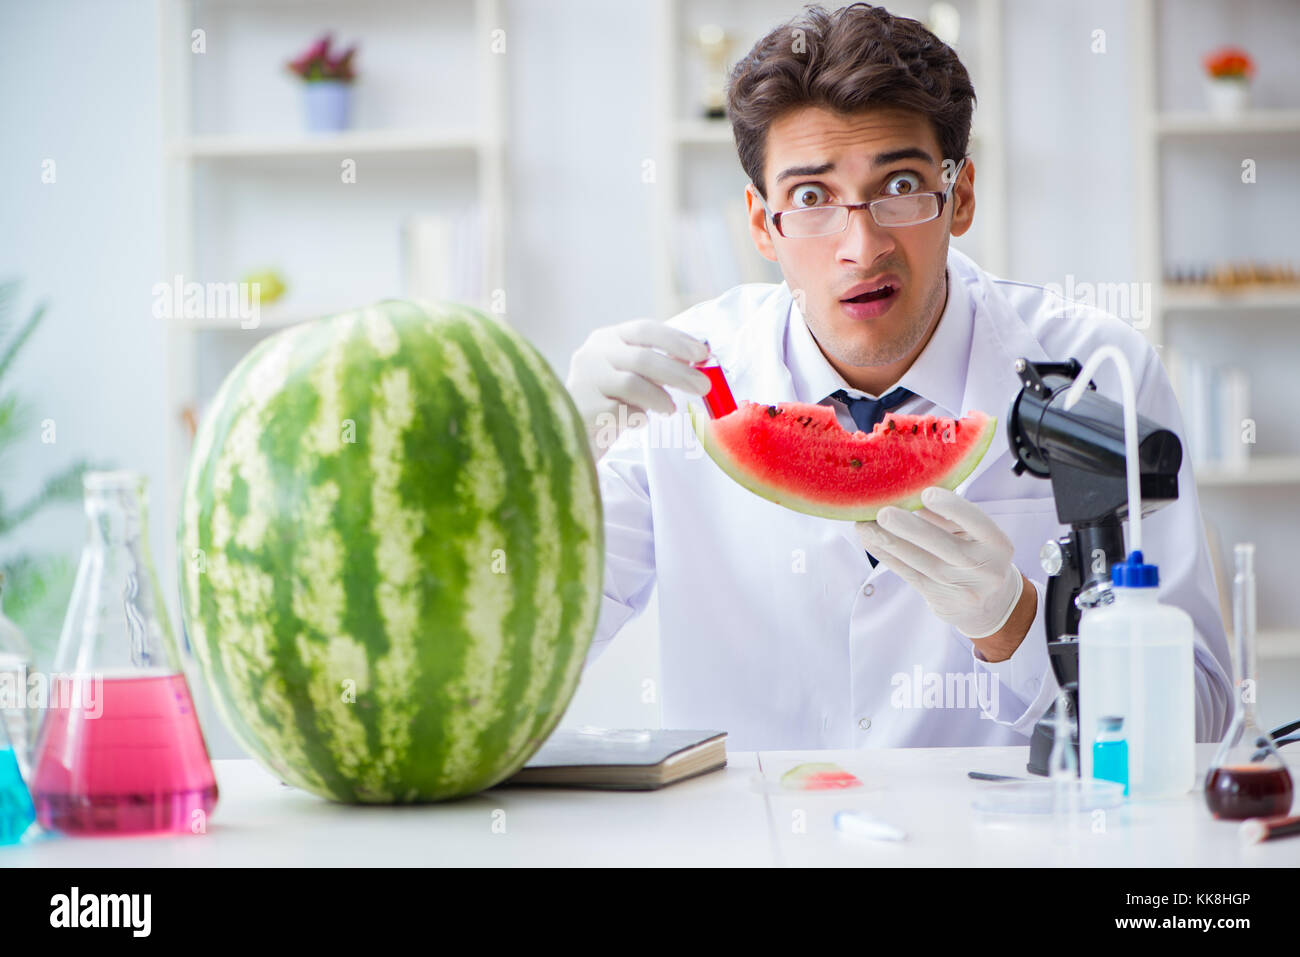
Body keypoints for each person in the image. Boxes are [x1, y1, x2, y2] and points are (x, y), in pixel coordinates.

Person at [564, 2, 1231, 750]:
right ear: (761, 225)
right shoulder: (677, 386)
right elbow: (528, 647)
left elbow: (1202, 723)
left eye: (902, 185)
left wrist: (1016, 623)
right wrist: (551, 451)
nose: (863, 243)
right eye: (812, 197)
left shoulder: (1099, 374)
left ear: (961, 197)